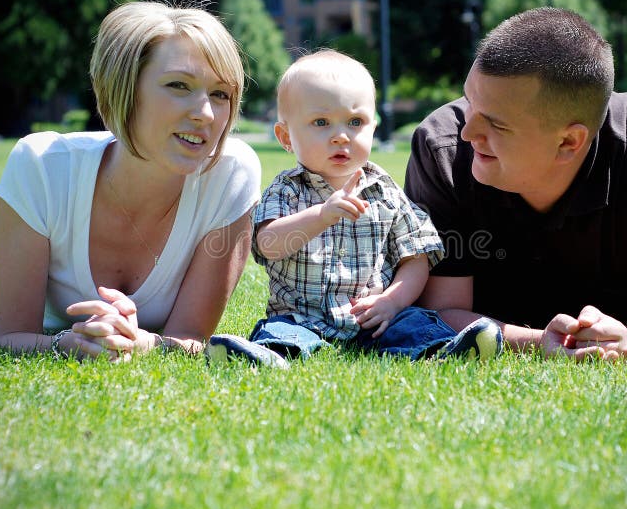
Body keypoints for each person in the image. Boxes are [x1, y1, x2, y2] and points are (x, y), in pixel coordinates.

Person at [405, 7, 627, 361]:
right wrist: (541, 343)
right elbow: (440, 312)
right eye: (470, 101)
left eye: (496, 124)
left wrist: (622, 342)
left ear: (569, 142)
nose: (467, 131)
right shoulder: (442, 150)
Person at [0, 0, 261, 361]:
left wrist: (144, 343)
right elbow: (7, 338)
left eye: (220, 94)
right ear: (123, 88)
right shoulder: (42, 167)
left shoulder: (231, 174)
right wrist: (66, 345)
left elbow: (190, 336)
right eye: (179, 85)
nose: (205, 114)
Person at [205, 50, 502, 368]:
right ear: (285, 136)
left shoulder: (385, 190)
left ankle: (447, 351)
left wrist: (392, 301)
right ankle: (266, 356)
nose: (341, 136)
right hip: (302, 316)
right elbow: (268, 244)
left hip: (374, 318)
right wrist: (320, 216)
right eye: (321, 122)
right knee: (281, 332)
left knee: (414, 324)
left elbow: (416, 256)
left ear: (373, 127)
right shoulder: (287, 188)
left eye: (355, 122)